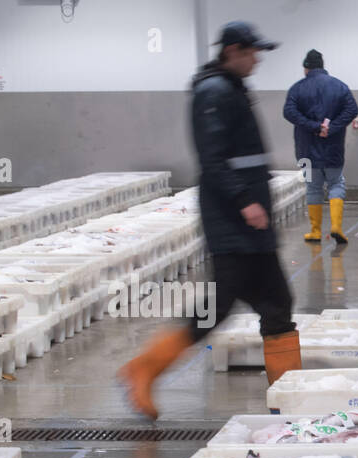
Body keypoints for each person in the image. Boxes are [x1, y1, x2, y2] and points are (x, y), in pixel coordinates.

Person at [118, 21, 300, 419]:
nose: (256, 60)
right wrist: (244, 201)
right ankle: (144, 369)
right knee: (220, 307)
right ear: (233, 50)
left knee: (277, 304)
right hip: (232, 220)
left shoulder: (231, 87)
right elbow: (213, 160)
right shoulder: (212, 92)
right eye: (252, 53)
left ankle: (291, 402)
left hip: (251, 220)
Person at [283, 49, 358, 244]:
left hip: (305, 151)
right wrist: (330, 127)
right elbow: (352, 109)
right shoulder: (339, 86)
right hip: (333, 147)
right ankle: (336, 227)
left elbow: (289, 112)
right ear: (323, 66)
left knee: (312, 187)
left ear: (305, 68)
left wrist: (313, 127)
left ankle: (315, 231)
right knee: (336, 183)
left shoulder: (297, 88)